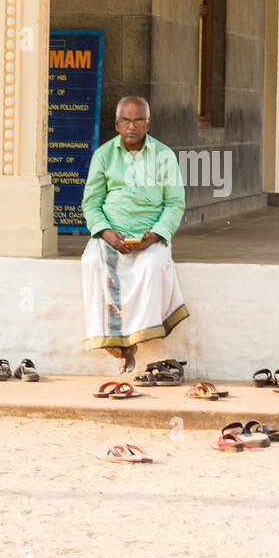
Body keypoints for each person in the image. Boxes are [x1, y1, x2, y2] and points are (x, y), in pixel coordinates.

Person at [81, 96, 189, 375]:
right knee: (93, 263)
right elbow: (91, 203)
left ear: (148, 124)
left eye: (139, 120)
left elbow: (174, 204)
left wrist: (154, 236)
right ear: (117, 124)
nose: (132, 126)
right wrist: (105, 231)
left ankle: (132, 344)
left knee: (151, 266)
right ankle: (113, 341)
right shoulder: (103, 156)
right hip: (110, 234)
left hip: (149, 234)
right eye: (126, 120)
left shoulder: (164, 156)